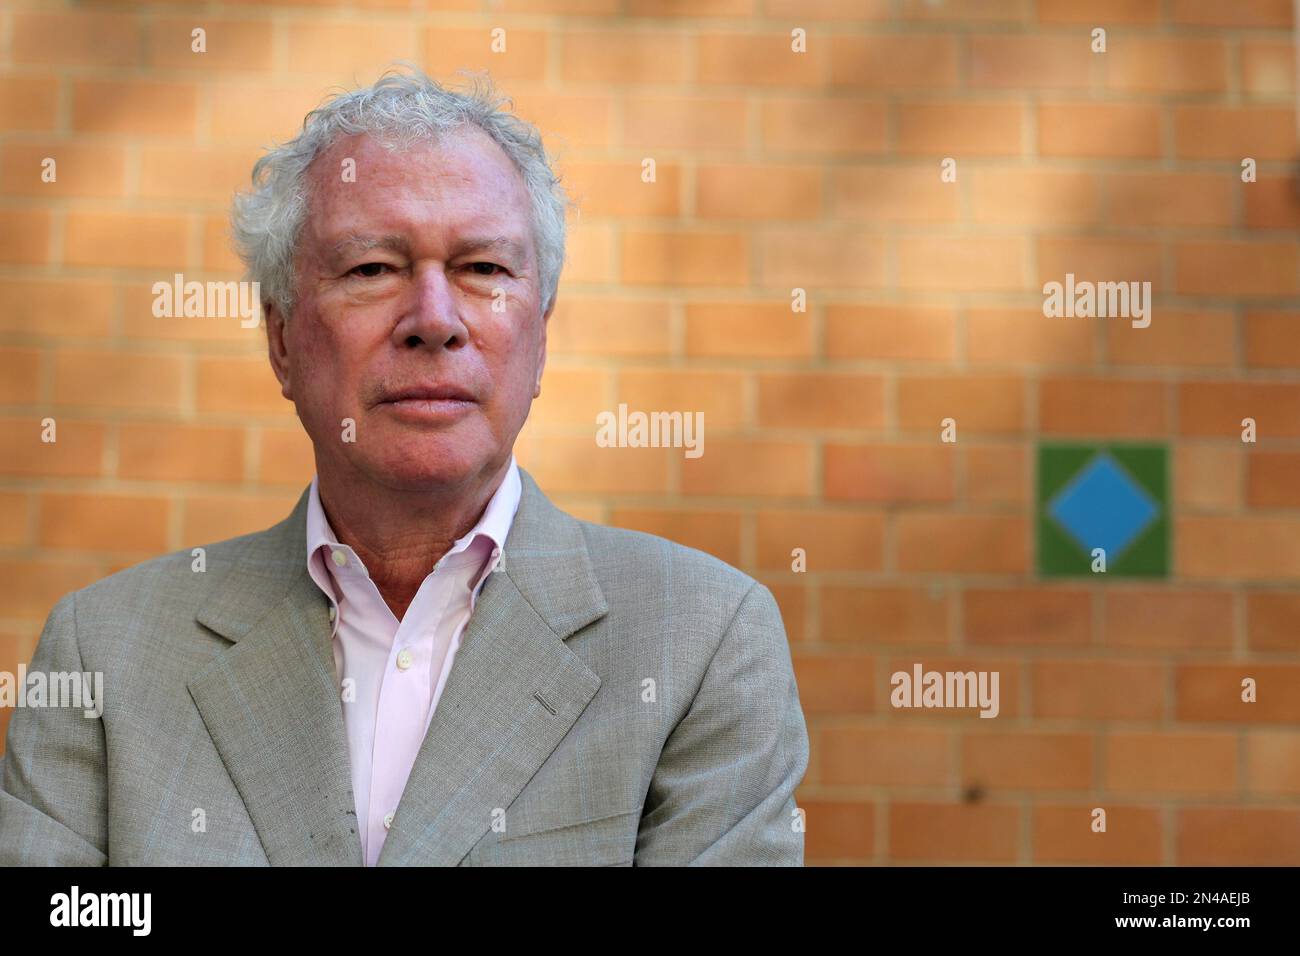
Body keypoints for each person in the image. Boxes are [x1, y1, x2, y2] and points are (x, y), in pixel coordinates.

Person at [0, 67, 809, 866]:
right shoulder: (103, 653)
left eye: (484, 269)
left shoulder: (703, 641)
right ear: (280, 338)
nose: (434, 320)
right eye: (371, 270)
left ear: (541, 335)